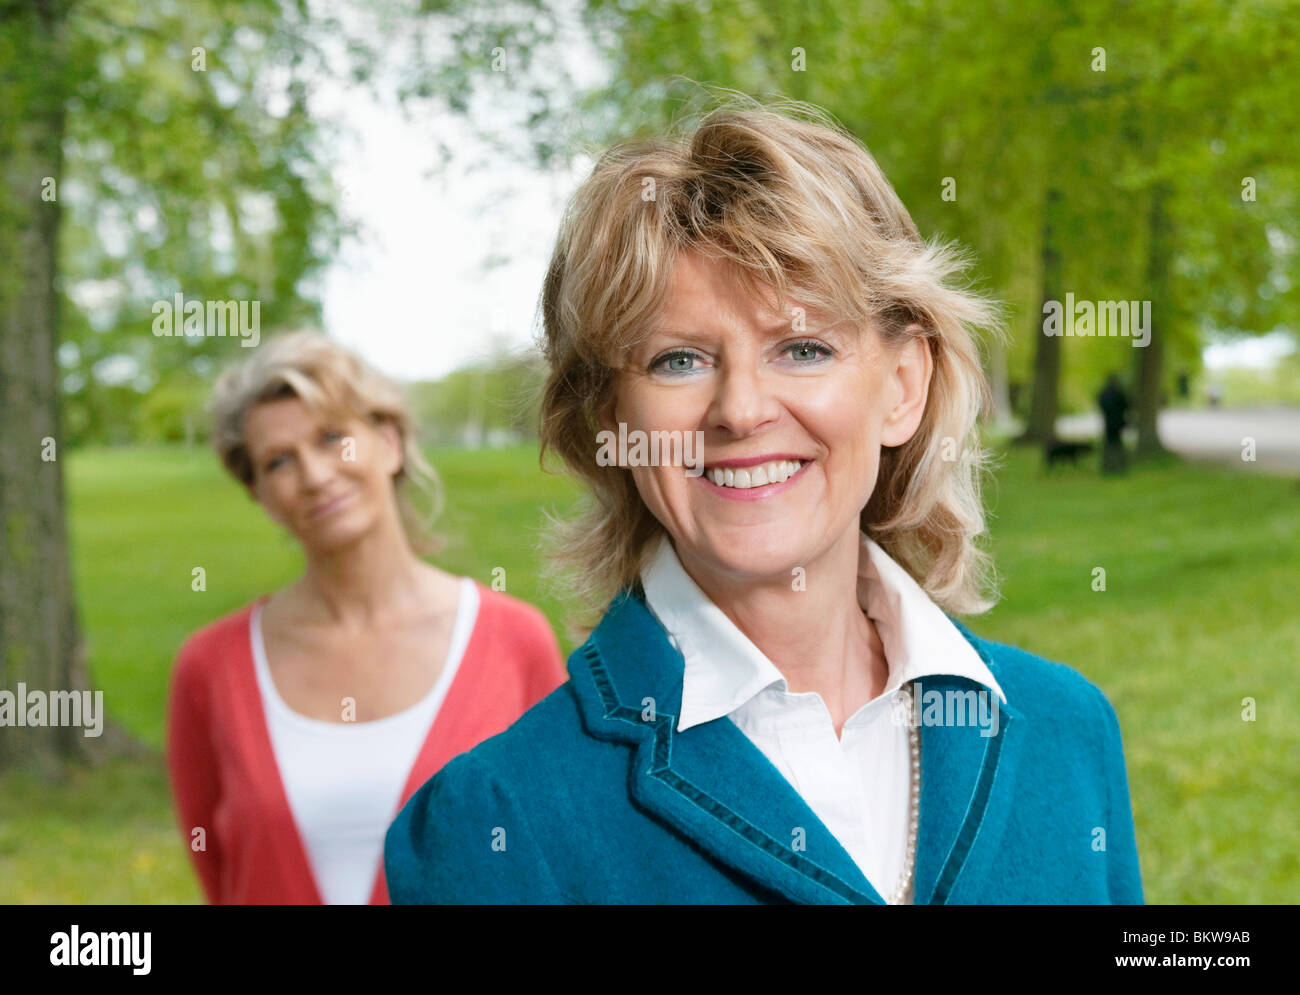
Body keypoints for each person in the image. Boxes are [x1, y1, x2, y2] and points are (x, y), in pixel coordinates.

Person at [385, 102, 1144, 905]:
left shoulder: (1068, 731)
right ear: (613, 420)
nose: (741, 410)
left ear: (903, 386)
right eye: (678, 360)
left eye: (803, 348)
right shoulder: (498, 820)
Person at [165, 331, 566, 904]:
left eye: (333, 438)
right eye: (279, 461)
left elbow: (551, 852)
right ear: (259, 494)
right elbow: (219, 873)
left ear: (389, 442)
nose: (315, 475)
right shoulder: (211, 667)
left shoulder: (513, 639)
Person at [1097, 373, 1130, 475]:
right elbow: (1127, 405)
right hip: (1118, 422)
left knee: (1109, 445)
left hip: (1108, 422)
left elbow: (1101, 405)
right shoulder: (1119, 393)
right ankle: (1120, 466)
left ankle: (1108, 467)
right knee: (1118, 445)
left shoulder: (1103, 394)